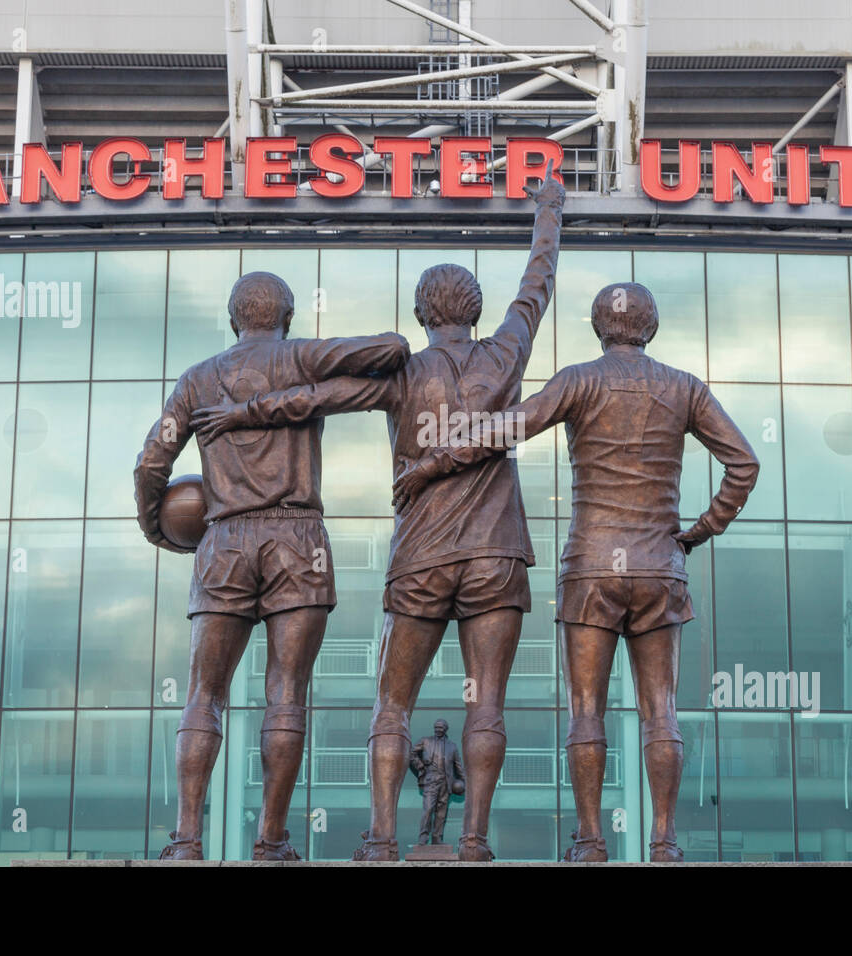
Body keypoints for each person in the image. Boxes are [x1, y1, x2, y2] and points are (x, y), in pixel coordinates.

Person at [189, 163, 566, 860]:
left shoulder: (400, 375)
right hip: (495, 554)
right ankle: (476, 841)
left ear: (424, 315)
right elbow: (537, 284)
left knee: (393, 705)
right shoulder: (507, 353)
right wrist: (549, 209)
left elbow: (315, 398)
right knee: (486, 705)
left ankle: (382, 840)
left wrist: (242, 410)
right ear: (475, 311)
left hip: (421, 556)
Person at [392, 281, 759, 862]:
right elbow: (745, 462)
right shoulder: (685, 387)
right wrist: (703, 528)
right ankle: (663, 844)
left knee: (586, 709)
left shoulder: (578, 379)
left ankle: (590, 842)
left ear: (598, 328)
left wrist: (434, 463)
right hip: (660, 565)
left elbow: (506, 429)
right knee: (659, 709)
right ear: (652, 326)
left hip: (591, 566)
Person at [133, 271, 409, 861]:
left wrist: (156, 527)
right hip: (297, 536)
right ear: (285, 318)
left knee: (204, 693)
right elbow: (393, 348)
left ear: (235, 320)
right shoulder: (302, 357)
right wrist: (306, 369)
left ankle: (186, 841)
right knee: (287, 693)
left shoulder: (197, 379)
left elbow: (150, 462)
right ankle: (272, 840)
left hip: (224, 539)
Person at [409, 719, 466, 845]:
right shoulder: (425, 741)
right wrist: (420, 765)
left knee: (441, 813)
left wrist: (464, 781)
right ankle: (423, 837)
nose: (438, 730)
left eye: (440, 728)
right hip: (430, 779)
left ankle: (437, 838)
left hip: (446, 782)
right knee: (428, 808)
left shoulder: (452, 746)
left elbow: (458, 766)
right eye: (436, 727)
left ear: (445, 729)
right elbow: (411, 753)